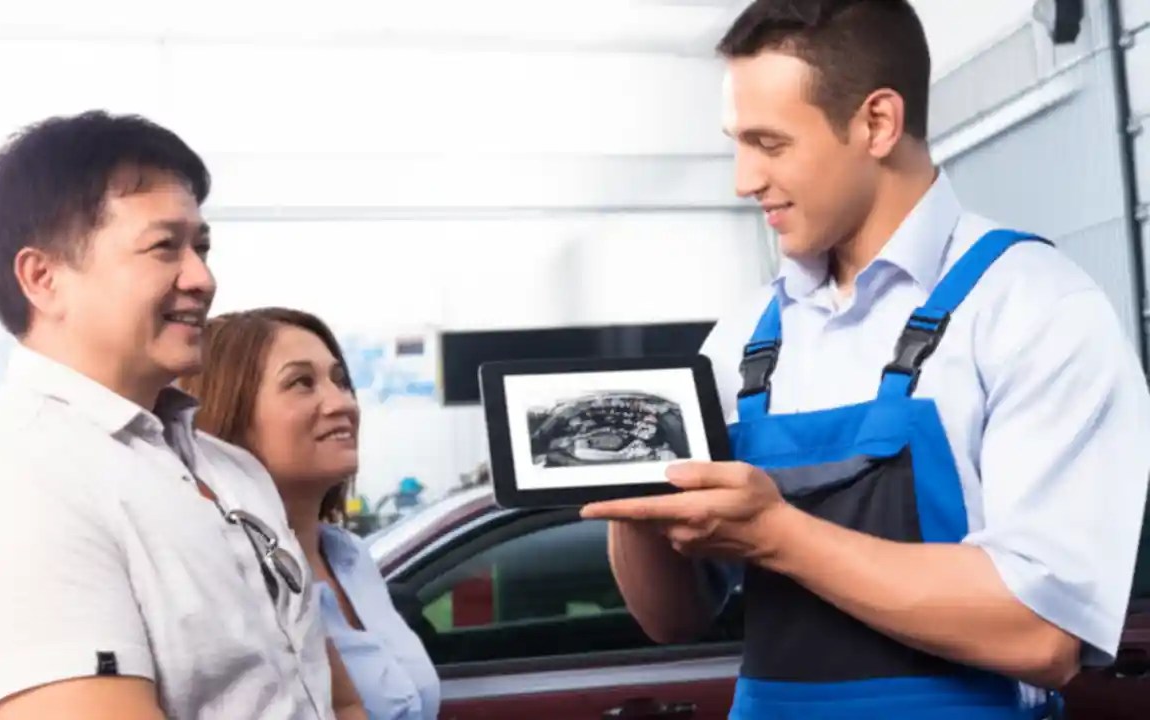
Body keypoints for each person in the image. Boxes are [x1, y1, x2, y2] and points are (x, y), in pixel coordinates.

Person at [581, 2, 1150, 719]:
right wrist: (634, 497)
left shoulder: (1035, 309)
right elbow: (674, 620)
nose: (743, 179)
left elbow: (1043, 633)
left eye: (770, 143)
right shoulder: (741, 341)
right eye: (736, 143)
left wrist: (780, 534)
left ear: (877, 123)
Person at [0, 111, 365, 720]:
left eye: (201, 247)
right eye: (163, 247)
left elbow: (339, 700)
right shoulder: (7, 486)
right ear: (43, 277)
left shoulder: (234, 473)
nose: (203, 278)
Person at [180, 307, 442, 720]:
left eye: (340, 381)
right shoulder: (221, 580)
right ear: (228, 413)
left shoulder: (350, 556)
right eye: (302, 383)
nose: (342, 403)